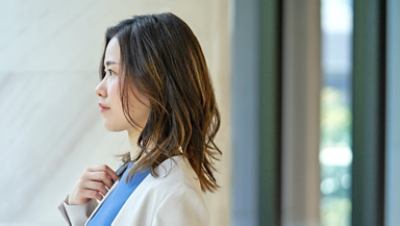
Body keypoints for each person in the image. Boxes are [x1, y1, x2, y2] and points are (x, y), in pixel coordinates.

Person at [57, 12, 221, 226]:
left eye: (112, 72)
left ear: (155, 81)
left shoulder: (175, 195)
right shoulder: (131, 174)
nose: (100, 88)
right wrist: (79, 212)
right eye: (105, 73)